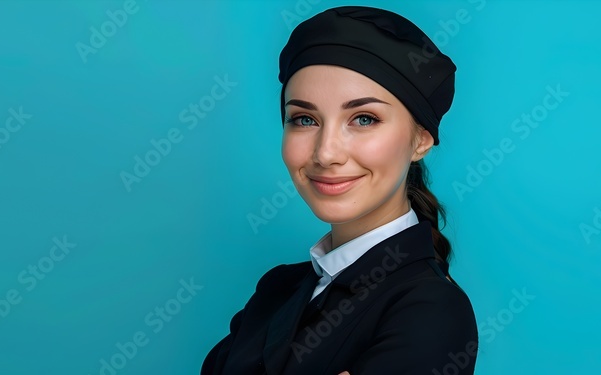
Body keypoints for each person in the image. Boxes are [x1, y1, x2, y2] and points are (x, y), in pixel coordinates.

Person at [200, 5, 478, 375]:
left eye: (364, 119)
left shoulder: (432, 311)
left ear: (421, 140)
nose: (326, 153)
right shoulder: (277, 290)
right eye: (304, 119)